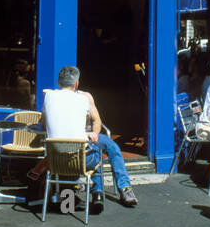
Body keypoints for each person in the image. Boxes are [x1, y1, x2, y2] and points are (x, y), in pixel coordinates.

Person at [40, 65, 137, 211]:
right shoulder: (78, 99)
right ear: (77, 82)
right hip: (80, 141)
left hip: (83, 137)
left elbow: (96, 120)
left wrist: (95, 134)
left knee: (112, 147)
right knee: (93, 151)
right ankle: (97, 192)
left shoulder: (60, 96)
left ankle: (124, 188)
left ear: (59, 83)